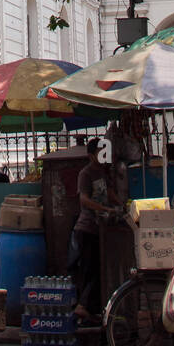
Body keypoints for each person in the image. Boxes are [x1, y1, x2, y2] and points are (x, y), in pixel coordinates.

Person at [69, 138, 124, 323]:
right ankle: (82, 307)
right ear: (91, 155)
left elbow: (109, 193)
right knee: (89, 269)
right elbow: (84, 200)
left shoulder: (102, 171)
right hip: (86, 229)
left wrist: (122, 205)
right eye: (100, 152)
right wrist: (104, 209)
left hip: (100, 229)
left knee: (98, 268)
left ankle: (91, 309)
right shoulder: (85, 174)